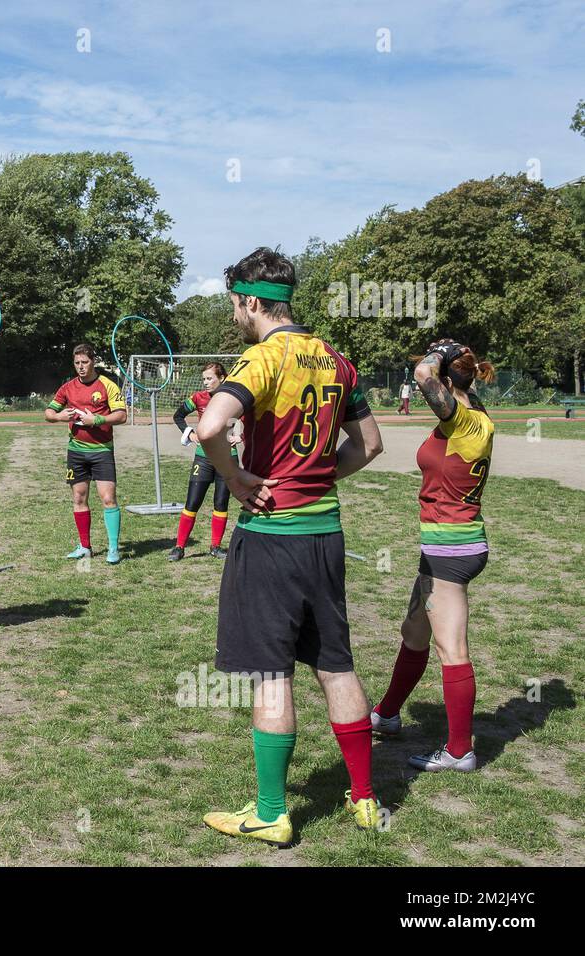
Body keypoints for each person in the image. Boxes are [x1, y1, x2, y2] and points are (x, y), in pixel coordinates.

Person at [195, 247, 384, 847]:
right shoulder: (337, 359)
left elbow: (208, 428)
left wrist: (234, 479)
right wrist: (318, 480)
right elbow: (370, 445)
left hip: (272, 537)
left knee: (271, 675)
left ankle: (272, 812)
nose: (233, 314)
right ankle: (365, 797)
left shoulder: (262, 358)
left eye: (233, 304)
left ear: (251, 300)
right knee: (337, 666)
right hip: (326, 535)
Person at [372, 340, 496, 773]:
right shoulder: (477, 417)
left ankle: (460, 750)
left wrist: (440, 353)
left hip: (450, 550)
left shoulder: (460, 421)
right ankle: (387, 714)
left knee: (451, 647)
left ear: (446, 383)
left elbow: (425, 376)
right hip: (448, 546)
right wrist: (451, 362)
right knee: (414, 631)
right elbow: (440, 382)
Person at [44, 344, 128, 564]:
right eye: (77, 363)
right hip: (76, 452)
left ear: (93, 361)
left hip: (102, 451)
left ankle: (112, 548)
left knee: (108, 499)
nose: (81, 367)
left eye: (85, 362)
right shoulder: (68, 387)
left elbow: (121, 416)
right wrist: (59, 417)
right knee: (79, 498)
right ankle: (85, 547)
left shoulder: (107, 385)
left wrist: (97, 420)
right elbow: (48, 412)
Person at [170, 362, 242, 560]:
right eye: (204, 379)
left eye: (210, 378)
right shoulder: (198, 398)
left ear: (223, 379)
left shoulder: (234, 398)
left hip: (228, 458)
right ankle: (179, 547)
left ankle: (216, 547)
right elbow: (178, 416)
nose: (206, 382)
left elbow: (251, 419)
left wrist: (241, 436)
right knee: (192, 502)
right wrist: (189, 432)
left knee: (221, 502)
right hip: (203, 458)